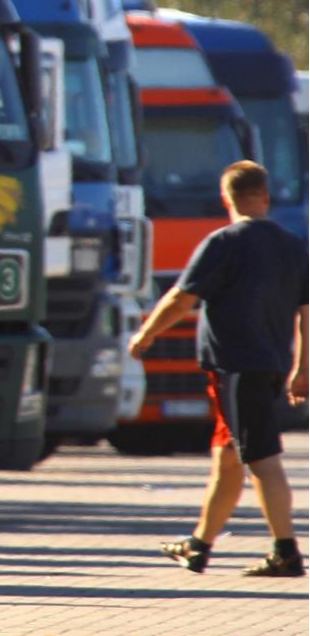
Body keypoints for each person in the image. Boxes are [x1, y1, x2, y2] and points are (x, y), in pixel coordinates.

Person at [129, 160, 309, 577]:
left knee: (262, 458)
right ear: (265, 196)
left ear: (225, 198)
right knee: (227, 458)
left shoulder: (224, 242)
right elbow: (306, 312)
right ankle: (199, 544)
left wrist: (146, 335)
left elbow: (181, 298)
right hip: (269, 365)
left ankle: (286, 551)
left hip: (236, 366)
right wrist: (302, 367)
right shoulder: (292, 244)